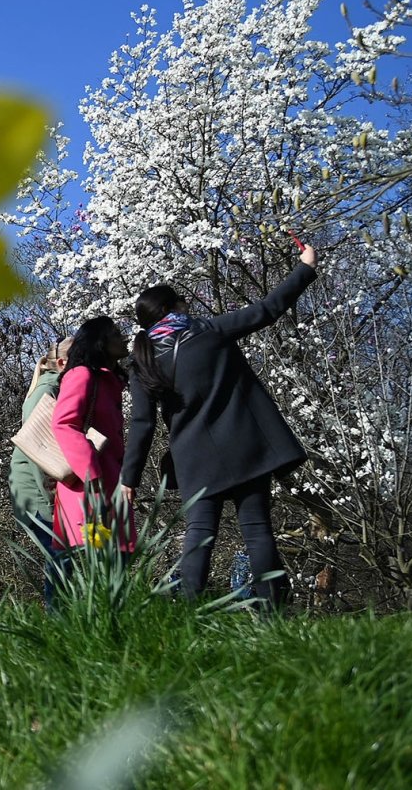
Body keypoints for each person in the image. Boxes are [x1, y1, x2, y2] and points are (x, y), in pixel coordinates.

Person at [122, 246, 317, 609]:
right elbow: (267, 309)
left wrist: (128, 478)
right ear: (173, 308)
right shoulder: (208, 332)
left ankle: (191, 617)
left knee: (198, 536)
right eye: (182, 302)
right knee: (258, 531)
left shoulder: (143, 362)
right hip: (245, 449)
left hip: (195, 460)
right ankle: (272, 615)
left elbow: (142, 424)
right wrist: (304, 269)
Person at [51, 317, 136, 555]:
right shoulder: (82, 375)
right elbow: (64, 424)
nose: (124, 338)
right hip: (88, 488)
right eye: (116, 334)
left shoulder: (107, 380)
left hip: (106, 483)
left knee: (114, 565)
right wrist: (92, 474)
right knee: (95, 567)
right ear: (101, 342)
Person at [9, 338, 72, 601]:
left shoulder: (53, 388)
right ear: (62, 363)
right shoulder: (48, 392)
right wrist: (51, 498)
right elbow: (38, 449)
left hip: (36, 488)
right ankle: (59, 620)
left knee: (63, 557)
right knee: (60, 557)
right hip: (34, 491)